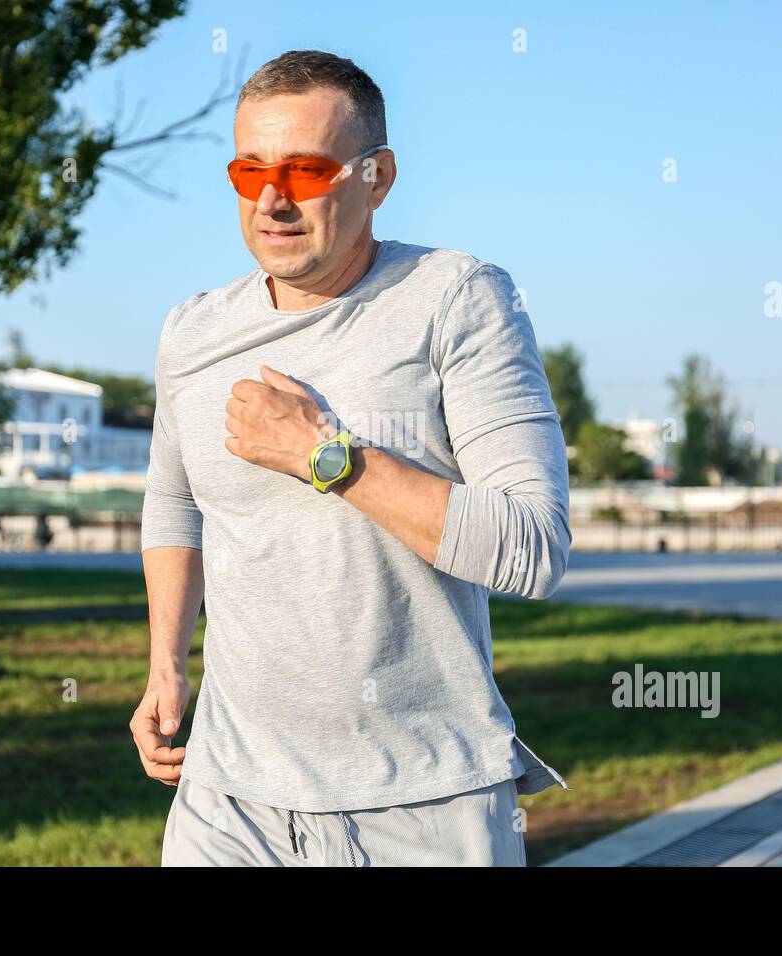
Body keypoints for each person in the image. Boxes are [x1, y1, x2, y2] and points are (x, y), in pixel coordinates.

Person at [131, 49, 571, 867]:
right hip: (228, 803)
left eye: (306, 170)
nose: (272, 199)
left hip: (423, 802)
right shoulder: (191, 332)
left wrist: (328, 457)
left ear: (378, 176)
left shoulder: (456, 299)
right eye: (249, 170)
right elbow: (175, 503)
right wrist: (165, 666)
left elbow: (532, 546)